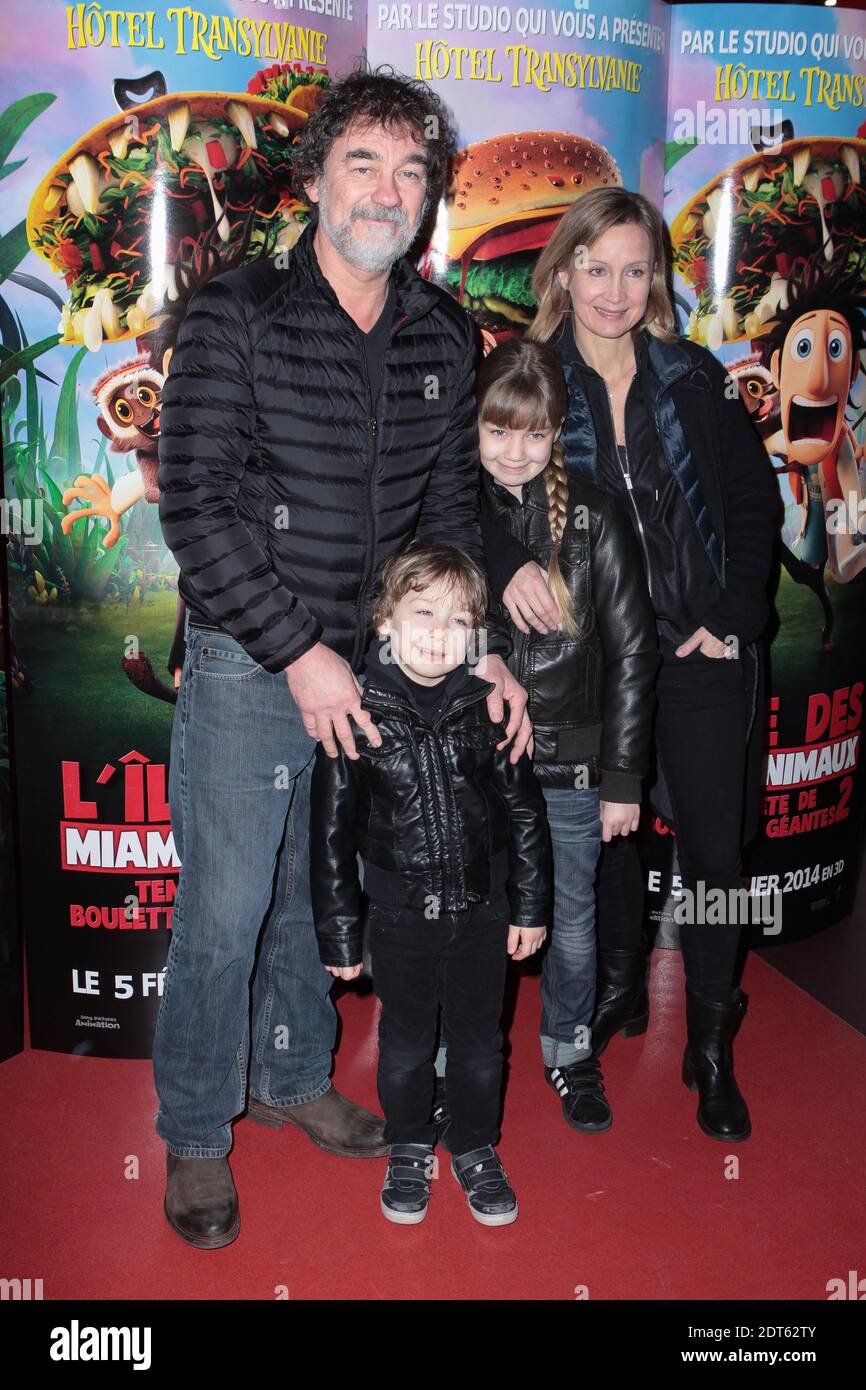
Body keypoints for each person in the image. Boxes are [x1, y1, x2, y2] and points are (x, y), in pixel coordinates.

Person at [153, 65, 529, 1249]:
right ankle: (197, 1133)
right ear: (314, 178)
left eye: (410, 169)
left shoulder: (441, 331)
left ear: (428, 198)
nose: (386, 188)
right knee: (224, 910)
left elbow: (451, 510)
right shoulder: (235, 312)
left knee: (326, 890)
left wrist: (473, 650)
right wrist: (299, 653)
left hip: (381, 670)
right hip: (246, 660)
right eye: (361, 162)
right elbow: (197, 509)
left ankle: (293, 1071)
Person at [481, 186, 778, 1143]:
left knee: (717, 858)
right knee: (609, 843)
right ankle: (615, 994)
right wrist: (505, 558)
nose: (614, 290)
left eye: (635, 270)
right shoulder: (530, 373)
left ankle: (715, 1041)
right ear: (563, 270)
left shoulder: (693, 375)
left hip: (694, 654)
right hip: (590, 663)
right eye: (596, 267)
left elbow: (751, 505)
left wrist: (728, 621)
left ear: (657, 281)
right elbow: (465, 491)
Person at [310, 541, 553, 1226]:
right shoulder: (354, 712)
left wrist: (529, 905)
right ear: (385, 620)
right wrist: (338, 929)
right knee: (408, 1044)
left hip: (484, 910)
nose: (437, 635)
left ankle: (476, 1145)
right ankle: (410, 1143)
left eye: (456, 621)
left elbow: (526, 813)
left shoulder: (491, 705)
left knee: (481, 1045)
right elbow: (329, 832)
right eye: (421, 613)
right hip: (398, 917)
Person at [473, 337, 658, 1133]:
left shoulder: (593, 514)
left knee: (573, 923)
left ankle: (571, 1053)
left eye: (535, 433)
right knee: (473, 923)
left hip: (572, 769)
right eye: (498, 430)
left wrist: (623, 777)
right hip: (473, 769)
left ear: (557, 433)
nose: (516, 452)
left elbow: (632, 650)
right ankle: (456, 1064)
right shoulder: (448, 511)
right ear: (472, 426)